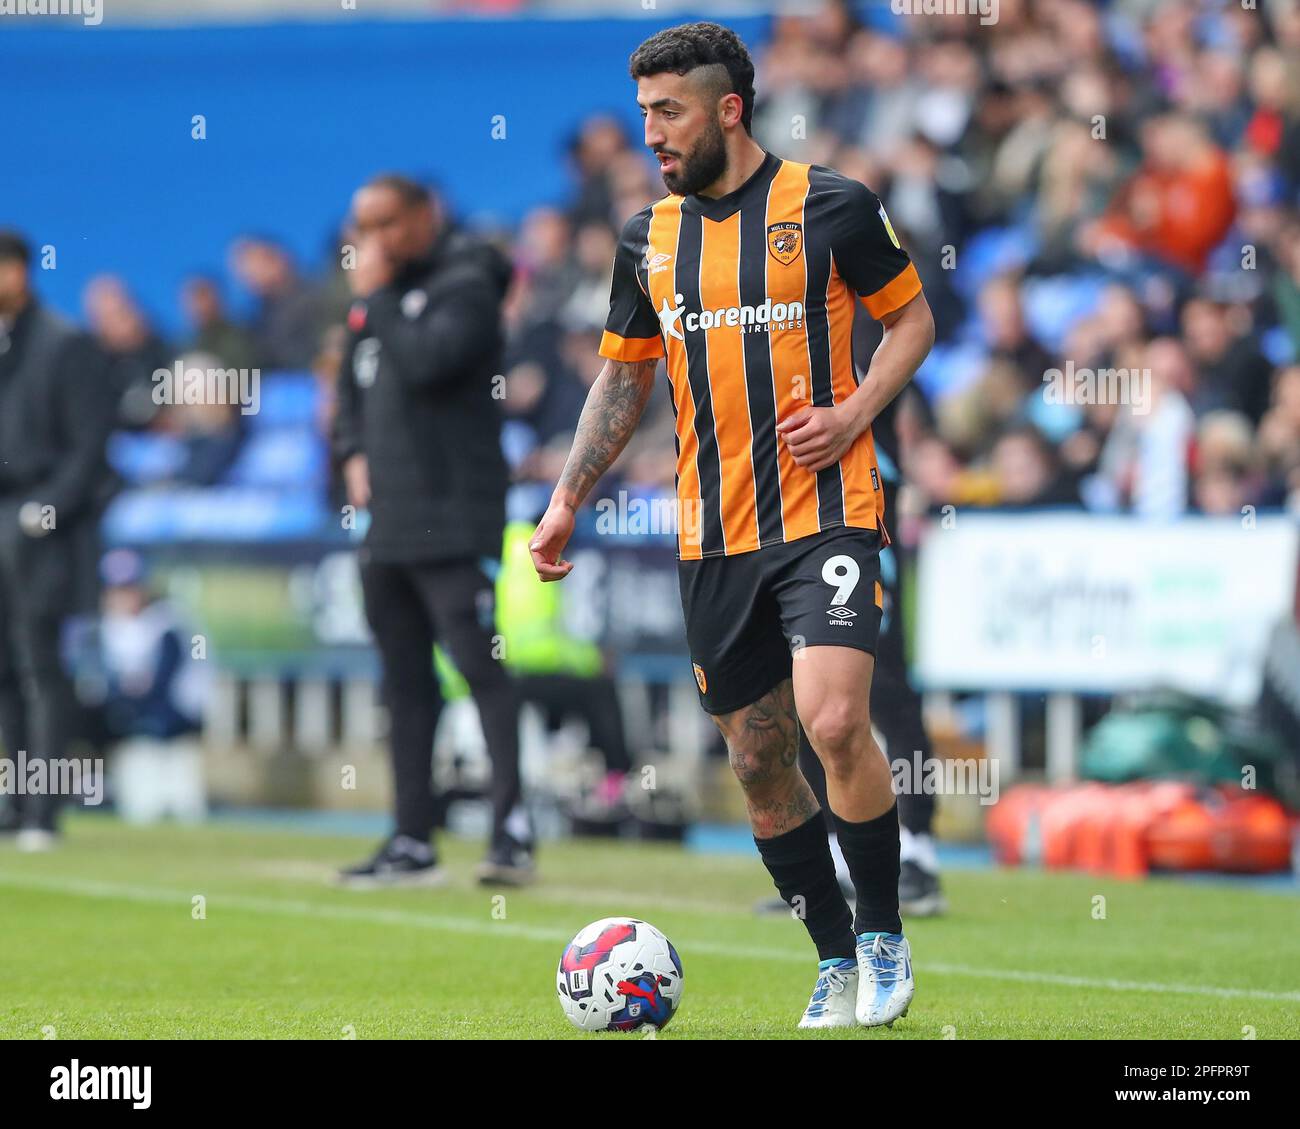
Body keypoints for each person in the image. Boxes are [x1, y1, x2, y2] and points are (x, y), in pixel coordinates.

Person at [529, 23, 935, 1028]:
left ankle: (884, 935)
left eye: (667, 113)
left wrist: (853, 413)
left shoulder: (831, 206)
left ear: (728, 109)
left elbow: (913, 320)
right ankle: (833, 955)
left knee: (834, 719)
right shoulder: (647, 239)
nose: (651, 135)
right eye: (642, 116)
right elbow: (622, 381)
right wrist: (567, 498)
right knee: (758, 760)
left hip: (827, 512)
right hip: (713, 535)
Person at [332, 174, 533, 887]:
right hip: (387, 521)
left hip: (452, 515)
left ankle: (511, 828)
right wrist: (352, 452)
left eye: (386, 223)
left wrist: (378, 294)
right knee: (404, 682)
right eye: (363, 226)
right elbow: (352, 390)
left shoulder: (467, 283)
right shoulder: (372, 308)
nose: (372, 240)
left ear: (425, 215)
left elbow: (426, 362)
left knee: (480, 667)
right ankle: (412, 836)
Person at [0, 230, 112, 850]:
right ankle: (13, 801)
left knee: (41, 666)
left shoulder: (66, 344)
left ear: (19, 271)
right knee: (3, 673)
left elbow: (90, 447)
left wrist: (46, 509)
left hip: (39, 526)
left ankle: (44, 808)